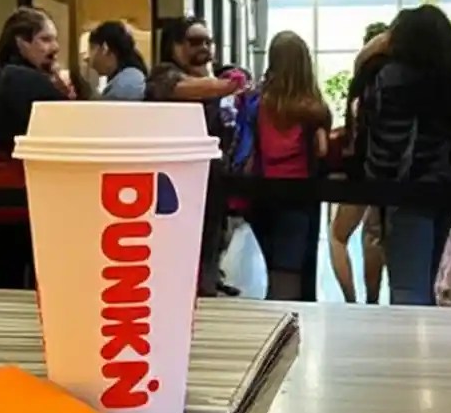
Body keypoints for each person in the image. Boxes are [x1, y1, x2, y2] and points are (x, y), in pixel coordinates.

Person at [360, 5, 451, 306]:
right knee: (427, 279)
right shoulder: (450, 78)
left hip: (406, 186)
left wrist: (373, 47)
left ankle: (406, 351)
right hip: (444, 182)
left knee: (407, 287)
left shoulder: (391, 76)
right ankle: (428, 348)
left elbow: (366, 100)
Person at [146, 16, 242, 297]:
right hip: (174, 174)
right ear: (175, 46)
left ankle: (208, 282)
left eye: (207, 41)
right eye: (194, 41)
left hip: (213, 170)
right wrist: (229, 85)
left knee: (214, 230)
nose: (203, 48)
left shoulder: (213, 76)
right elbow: (182, 88)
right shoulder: (163, 74)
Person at [0, 8, 66, 289]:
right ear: (22, 42)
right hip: (22, 190)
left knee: (5, 272)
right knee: (31, 278)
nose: (55, 48)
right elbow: (66, 124)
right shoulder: (31, 82)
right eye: (45, 40)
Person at [246, 31, 331, 302]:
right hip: (299, 196)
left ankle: (273, 330)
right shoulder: (313, 110)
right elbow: (323, 150)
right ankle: (288, 331)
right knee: (291, 272)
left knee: (276, 268)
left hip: (261, 195)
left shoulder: (257, 103)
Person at [328, 22, 396, 304]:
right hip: (389, 171)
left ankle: (351, 299)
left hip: (359, 172)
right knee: (375, 235)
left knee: (338, 236)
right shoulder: (395, 88)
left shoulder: (360, 91)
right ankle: (372, 298)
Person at [87, 20, 147, 101]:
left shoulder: (128, 82)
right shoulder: (126, 77)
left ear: (105, 49)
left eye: (92, 48)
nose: (88, 57)